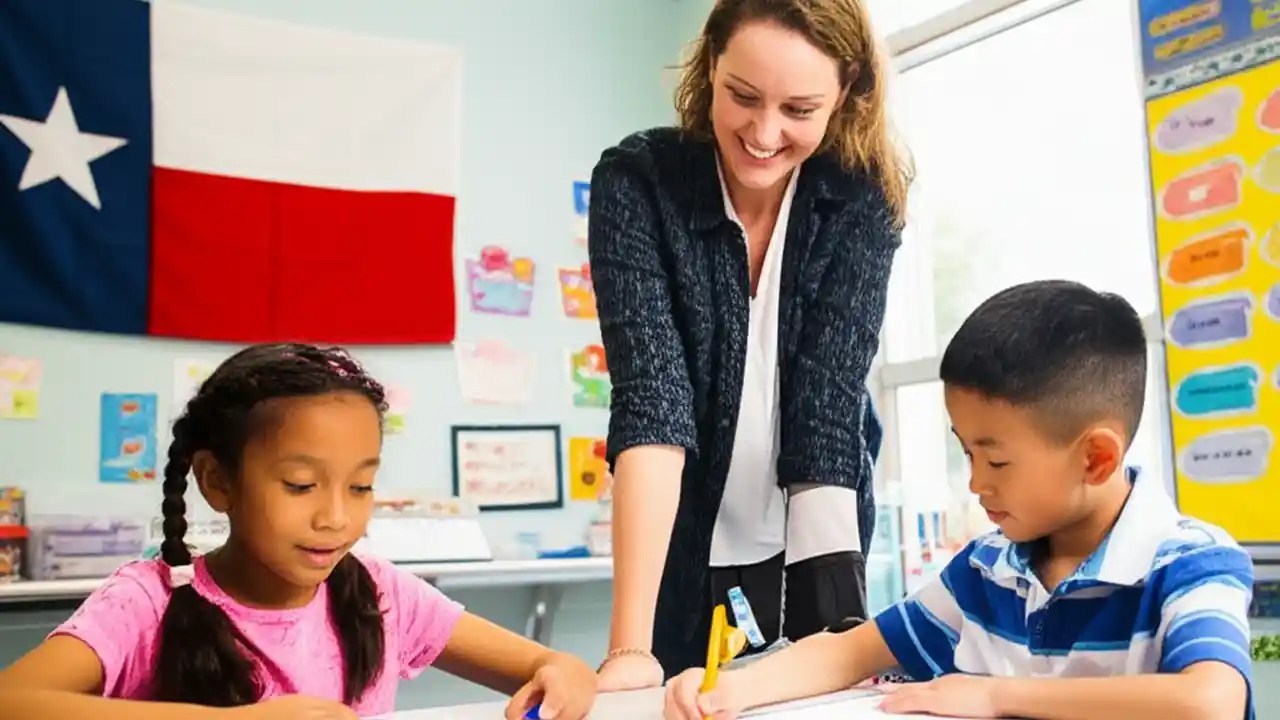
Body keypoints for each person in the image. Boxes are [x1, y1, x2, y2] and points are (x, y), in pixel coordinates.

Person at [662, 280, 1256, 720]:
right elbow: (848, 653)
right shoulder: (986, 570)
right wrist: (731, 690)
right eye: (966, 454)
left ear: (1096, 458)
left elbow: (1210, 701)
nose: (976, 483)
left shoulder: (1187, 562)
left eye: (996, 460)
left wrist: (995, 696)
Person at [0, 344, 597, 720]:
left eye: (360, 487)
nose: (335, 517)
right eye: (299, 485)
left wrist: (563, 674)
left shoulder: (383, 594)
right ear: (218, 482)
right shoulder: (149, 601)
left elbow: (551, 664)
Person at [589, 0, 909, 689]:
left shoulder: (862, 200)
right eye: (742, 96)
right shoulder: (640, 183)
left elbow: (828, 417)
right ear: (711, 66)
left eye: (799, 109)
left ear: (845, 91)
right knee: (672, 690)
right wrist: (627, 650)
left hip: (811, 538)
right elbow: (652, 407)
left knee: (814, 693)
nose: (764, 133)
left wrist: (838, 644)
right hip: (686, 541)